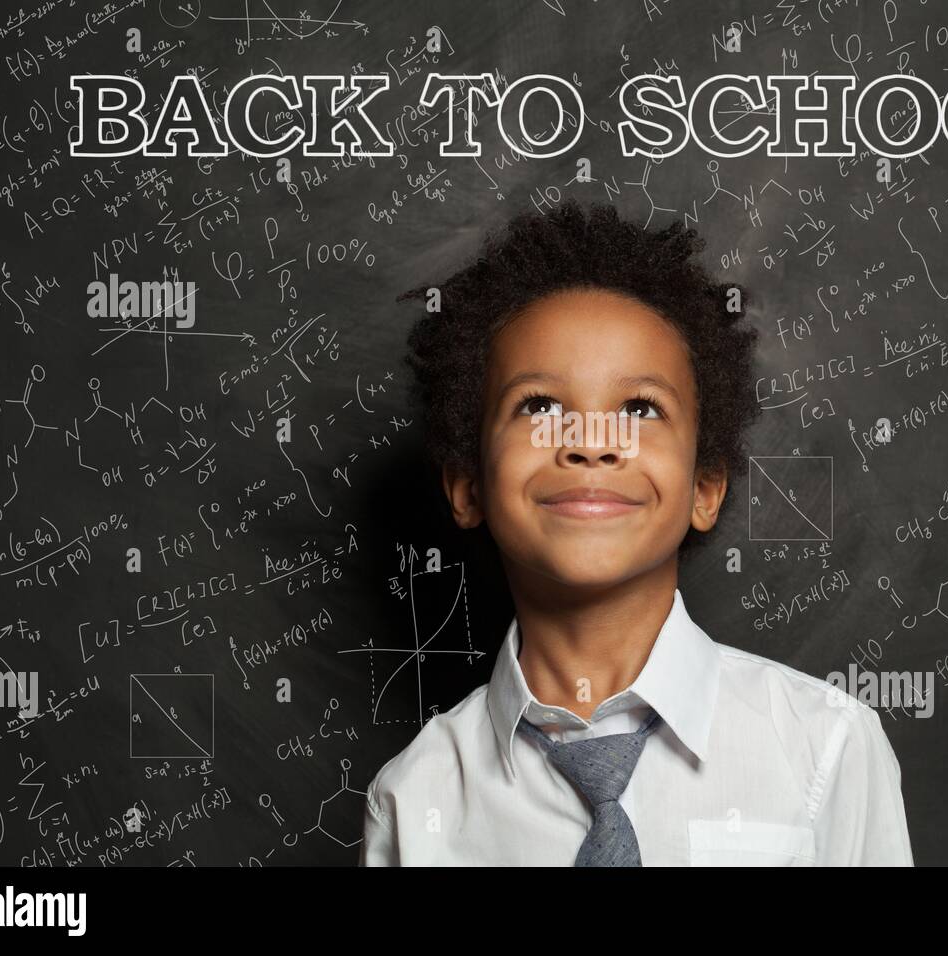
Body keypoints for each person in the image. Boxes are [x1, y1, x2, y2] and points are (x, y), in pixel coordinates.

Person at [359, 200, 914, 866]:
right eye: (538, 406)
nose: (592, 444)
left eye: (640, 409)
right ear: (468, 487)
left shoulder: (828, 749)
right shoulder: (414, 800)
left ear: (705, 490)